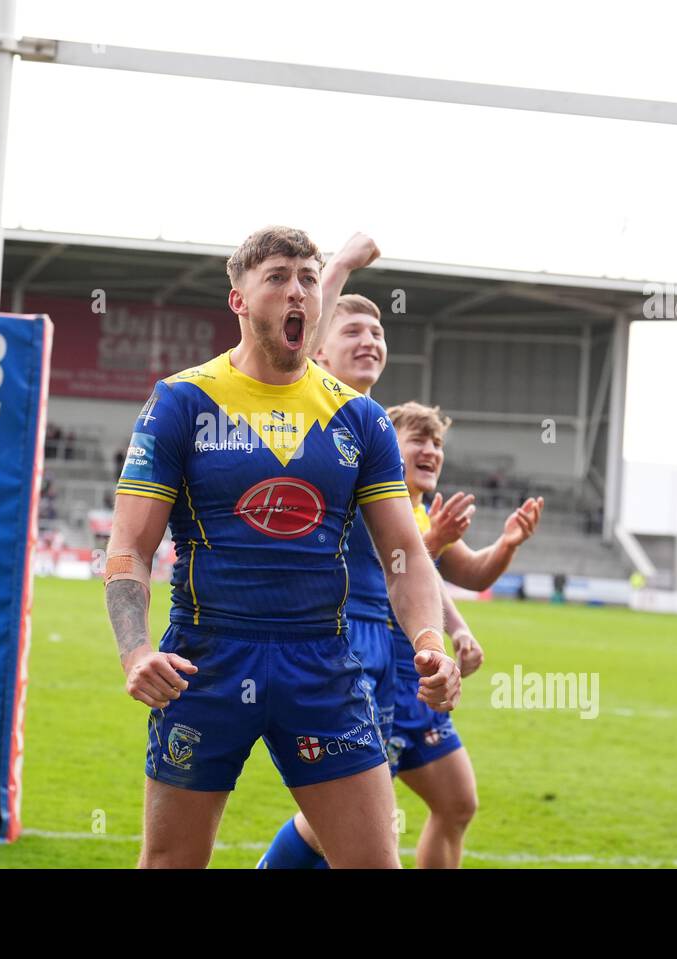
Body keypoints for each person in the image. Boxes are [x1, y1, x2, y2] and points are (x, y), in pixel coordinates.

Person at [104, 226, 460, 869]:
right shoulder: (181, 401)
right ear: (238, 299)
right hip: (205, 664)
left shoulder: (360, 419)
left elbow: (403, 555)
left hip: (321, 664)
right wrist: (135, 651)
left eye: (306, 278)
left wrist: (429, 642)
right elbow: (130, 547)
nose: (296, 291)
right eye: (276, 277)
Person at [261, 291, 542, 870]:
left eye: (437, 444)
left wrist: (493, 565)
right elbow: (398, 564)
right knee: (352, 819)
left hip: (415, 662)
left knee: (453, 803)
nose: (431, 452)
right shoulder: (354, 462)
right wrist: (432, 544)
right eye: (419, 441)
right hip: (360, 649)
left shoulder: (417, 506)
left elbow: (446, 577)